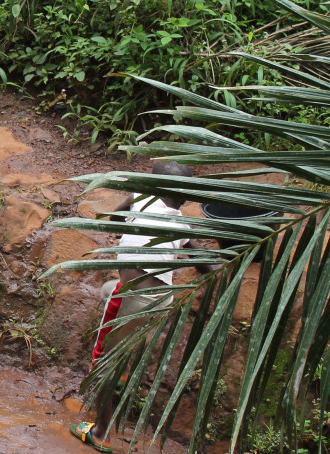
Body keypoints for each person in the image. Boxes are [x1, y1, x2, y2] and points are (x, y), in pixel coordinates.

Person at [71, 161, 217, 452]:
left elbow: (114, 219)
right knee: (108, 291)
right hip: (160, 300)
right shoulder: (179, 223)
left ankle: (100, 432)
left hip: (136, 298)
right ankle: (125, 359)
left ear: (150, 188)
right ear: (184, 199)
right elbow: (204, 264)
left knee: (102, 362)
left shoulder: (139, 200)